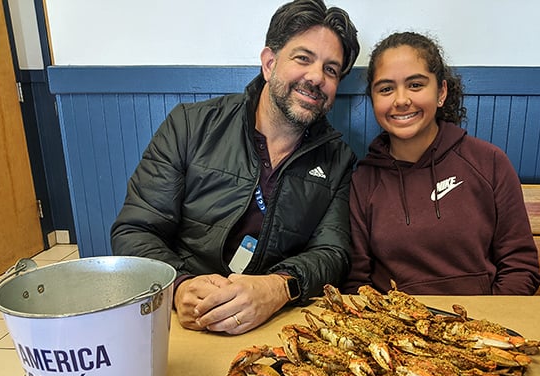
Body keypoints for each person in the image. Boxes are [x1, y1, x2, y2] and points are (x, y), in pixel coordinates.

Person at [111, 0, 359, 334]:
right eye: (303, 58)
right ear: (270, 63)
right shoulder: (189, 126)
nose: (316, 77)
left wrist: (279, 287)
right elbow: (135, 231)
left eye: (331, 69)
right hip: (185, 322)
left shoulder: (338, 159)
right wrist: (179, 285)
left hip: (278, 323)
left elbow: (333, 252)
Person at [344, 32, 540, 296]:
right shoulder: (363, 181)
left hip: (481, 327)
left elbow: (520, 267)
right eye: (386, 89)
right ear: (373, 99)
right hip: (396, 331)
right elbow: (356, 282)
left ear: (441, 92)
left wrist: (489, 324)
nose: (401, 100)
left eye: (415, 85)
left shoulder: (489, 162)